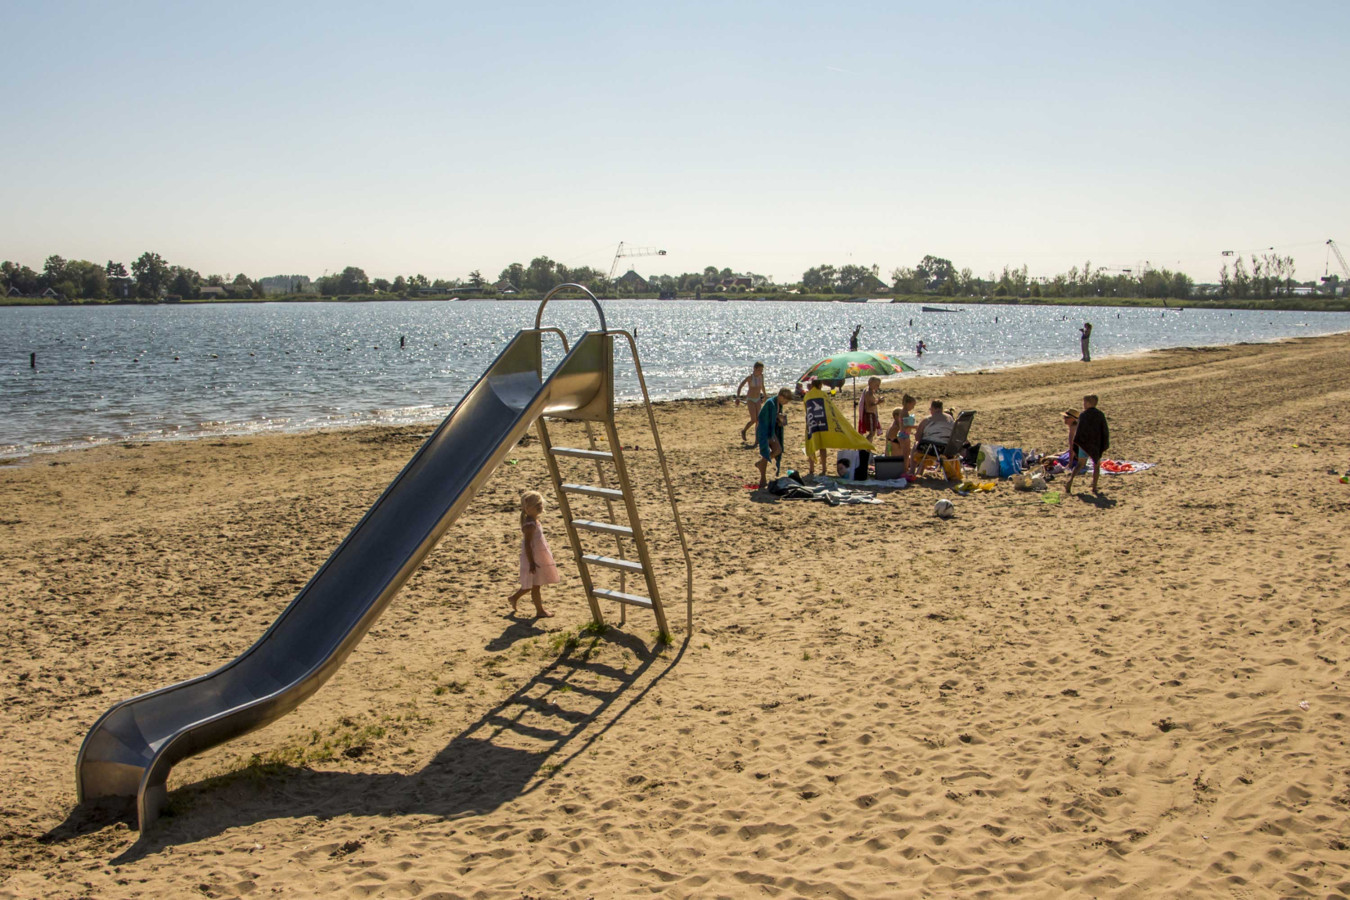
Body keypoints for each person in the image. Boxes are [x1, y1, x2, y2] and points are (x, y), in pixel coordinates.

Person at [506, 491, 558, 618]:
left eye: (540, 504)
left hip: (537, 556)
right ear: (527, 508)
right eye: (536, 505)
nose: (540, 507)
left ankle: (514, 598)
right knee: (534, 585)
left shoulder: (535, 520)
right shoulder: (529, 525)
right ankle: (540, 610)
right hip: (533, 558)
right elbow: (527, 546)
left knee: (533, 584)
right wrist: (531, 562)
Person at [1066, 395, 1110, 495]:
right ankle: (1094, 487)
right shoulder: (1100, 414)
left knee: (1080, 464)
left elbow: (1080, 430)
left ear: (1089, 403)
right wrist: (1104, 442)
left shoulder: (1083, 415)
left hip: (1084, 444)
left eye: (1085, 403)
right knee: (1096, 465)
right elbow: (1104, 430)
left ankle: (1070, 481)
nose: (1083, 405)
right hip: (1095, 444)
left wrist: (1077, 442)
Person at [755, 387, 793, 489]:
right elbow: (764, 418)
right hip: (765, 430)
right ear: (781, 396)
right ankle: (762, 478)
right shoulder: (770, 403)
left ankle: (760, 465)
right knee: (767, 452)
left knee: (778, 450)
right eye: (785, 400)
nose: (786, 403)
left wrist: (779, 417)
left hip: (771, 430)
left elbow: (775, 417)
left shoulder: (778, 404)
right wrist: (777, 417)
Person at [911, 399, 955, 473]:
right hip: (947, 449)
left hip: (933, 450)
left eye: (930, 409)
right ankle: (920, 471)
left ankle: (912, 471)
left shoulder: (927, 420)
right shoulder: (950, 419)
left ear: (934, 408)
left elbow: (917, 437)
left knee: (917, 446)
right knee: (928, 443)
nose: (930, 411)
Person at [735, 361, 767, 443]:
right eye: (759, 369)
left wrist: (765, 395)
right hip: (750, 399)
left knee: (758, 420)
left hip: (758, 399)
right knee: (753, 419)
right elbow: (740, 386)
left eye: (762, 370)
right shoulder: (750, 377)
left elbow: (762, 386)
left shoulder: (761, 376)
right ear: (755, 369)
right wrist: (738, 397)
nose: (761, 371)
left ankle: (757, 439)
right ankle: (744, 430)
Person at [886, 394, 918, 470]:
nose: (913, 407)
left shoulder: (903, 413)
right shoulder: (904, 413)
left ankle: (905, 469)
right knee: (906, 455)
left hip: (903, 435)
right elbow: (905, 426)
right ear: (908, 404)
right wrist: (916, 427)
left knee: (907, 454)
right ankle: (905, 470)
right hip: (904, 435)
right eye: (912, 405)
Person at [858, 376, 882, 443]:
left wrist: (877, 401)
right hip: (870, 414)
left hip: (871, 414)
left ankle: (867, 448)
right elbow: (870, 405)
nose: (878, 386)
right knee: (872, 433)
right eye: (876, 384)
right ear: (870, 383)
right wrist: (878, 402)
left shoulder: (871, 391)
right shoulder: (869, 392)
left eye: (878, 385)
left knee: (872, 433)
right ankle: (865, 446)